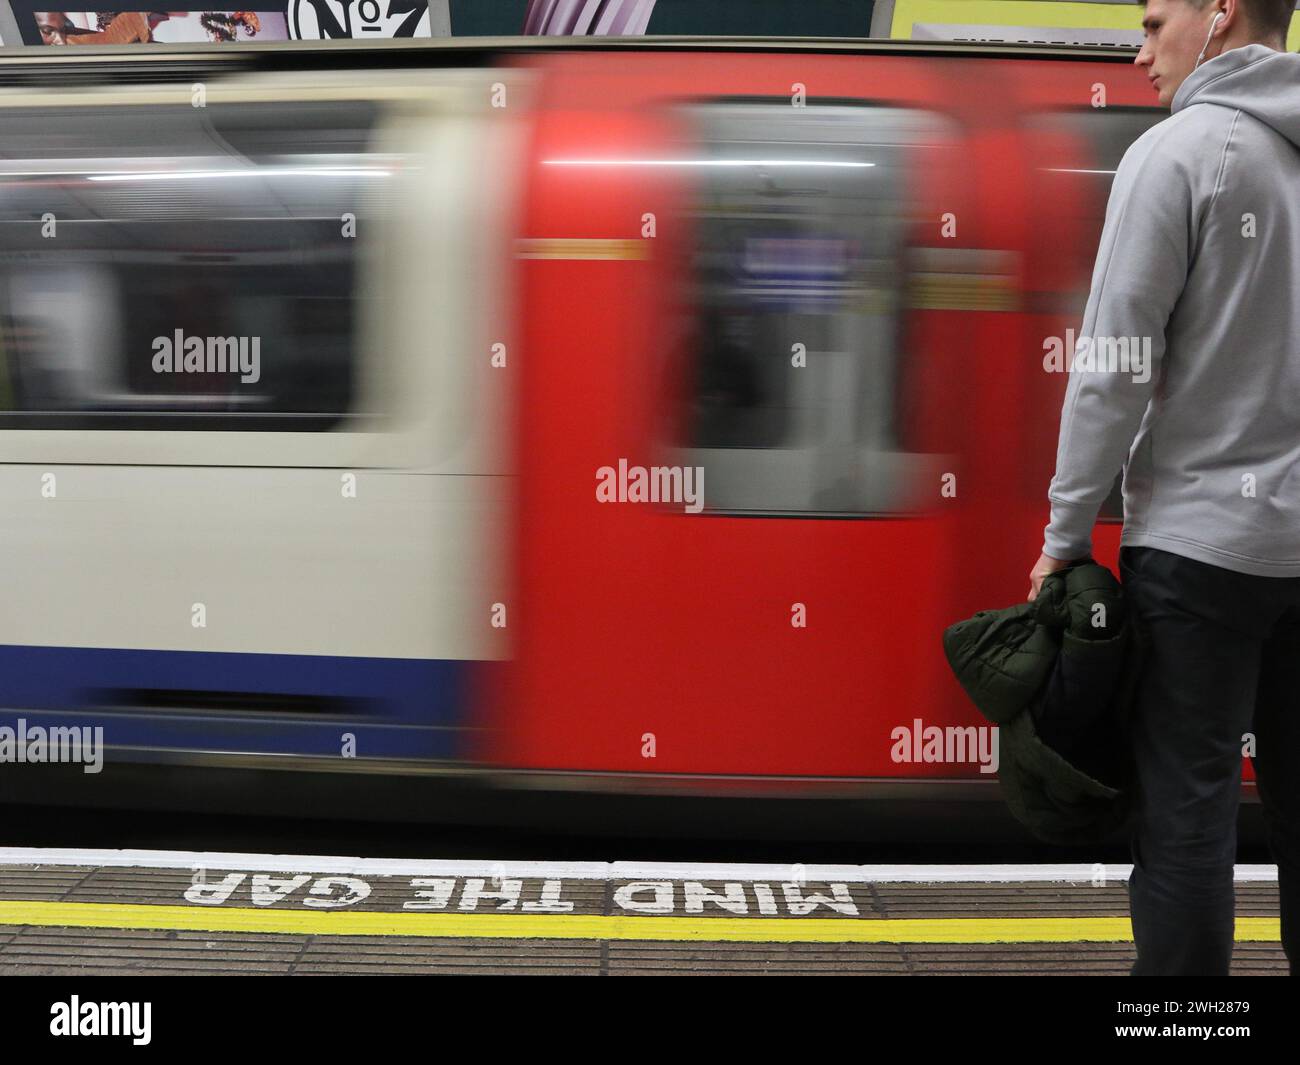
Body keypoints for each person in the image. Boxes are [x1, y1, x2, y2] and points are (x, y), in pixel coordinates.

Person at [1027, 0, 1300, 975]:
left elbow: (1109, 366)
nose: (1138, 51)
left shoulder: (1178, 154)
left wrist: (1064, 537)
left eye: (1151, 21)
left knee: (1187, 815)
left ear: (1219, 12)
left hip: (1198, 555)